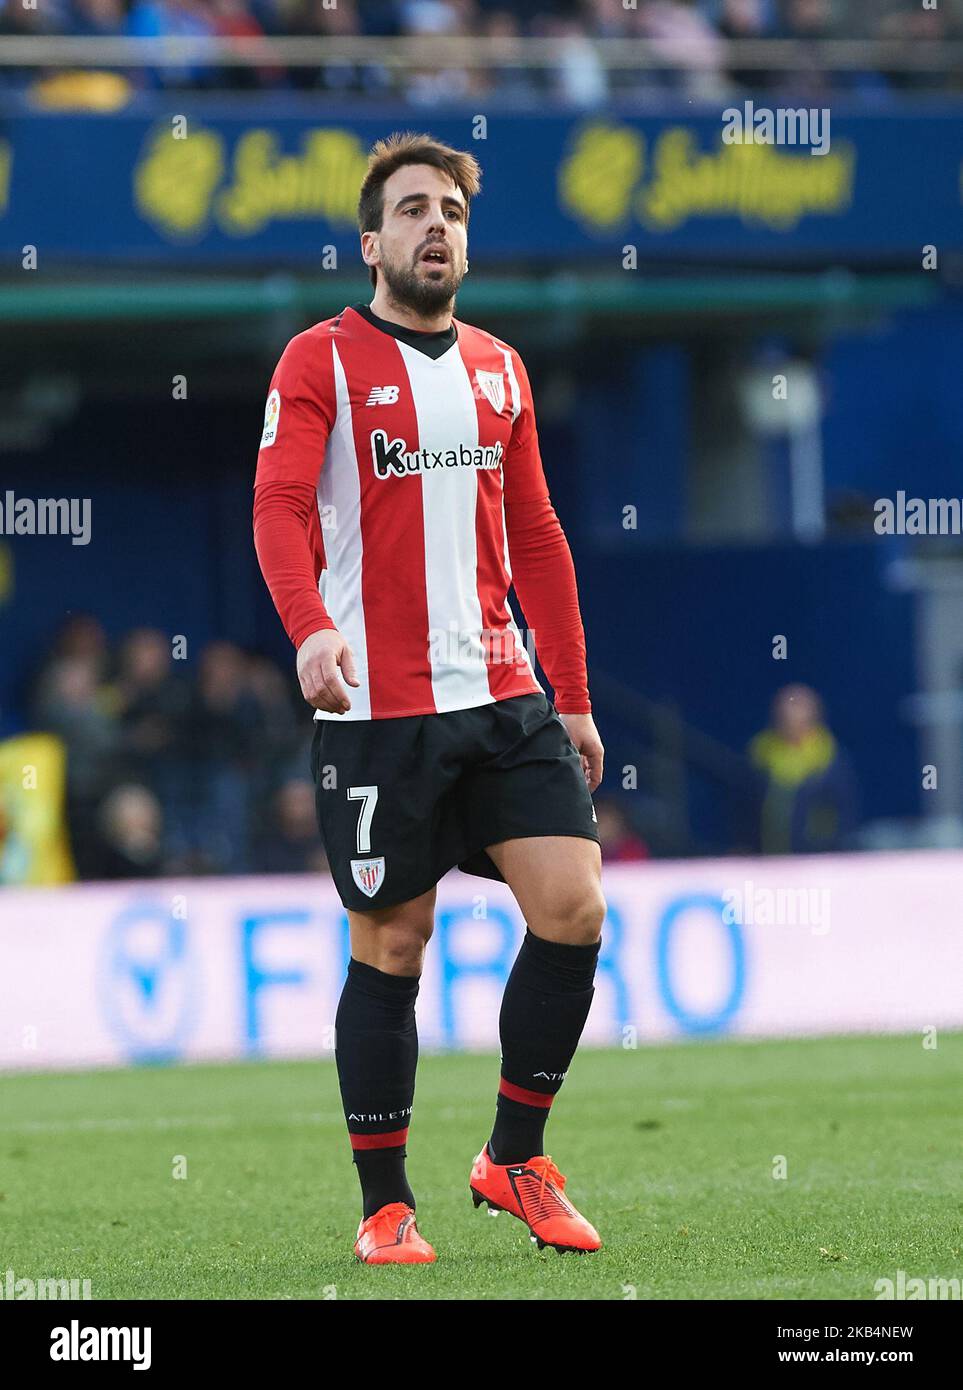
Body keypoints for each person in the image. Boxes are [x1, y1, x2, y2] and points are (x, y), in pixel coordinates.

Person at [253, 132, 606, 1265]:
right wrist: (312, 629)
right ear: (372, 242)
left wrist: (577, 695)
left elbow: (540, 535)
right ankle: (385, 1205)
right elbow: (278, 507)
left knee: (574, 907)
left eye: (450, 209)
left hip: (504, 695)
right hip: (379, 711)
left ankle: (514, 1155)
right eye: (412, 210)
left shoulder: (502, 368)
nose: (435, 226)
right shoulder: (322, 361)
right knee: (395, 942)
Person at [748, 684, 858, 854]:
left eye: (797, 707)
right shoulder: (760, 754)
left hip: (815, 862)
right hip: (764, 861)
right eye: (783, 709)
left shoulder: (831, 759)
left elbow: (845, 816)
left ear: (814, 716)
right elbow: (745, 808)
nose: (789, 715)